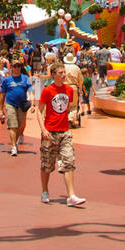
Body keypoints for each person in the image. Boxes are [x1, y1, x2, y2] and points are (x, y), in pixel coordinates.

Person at [37, 63, 85, 206]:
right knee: (47, 164)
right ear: (54, 75)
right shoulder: (47, 91)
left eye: (64, 72)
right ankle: (45, 191)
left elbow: (71, 106)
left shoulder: (69, 90)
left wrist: (73, 115)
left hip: (64, 132)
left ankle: (71, 195)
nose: (64, 75)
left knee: (68, 161)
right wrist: (43, 130)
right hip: (50, 132)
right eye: (61, 73)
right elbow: (40, 111)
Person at [0, 61, 32, 156]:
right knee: (13, 125)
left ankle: (15, 140)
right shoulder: (7, 80)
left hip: (22, 104)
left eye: (19, 66)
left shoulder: (26, 78)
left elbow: (30, 90)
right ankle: (13, 146)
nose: (17, 68)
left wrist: (32, 101)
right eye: (15, 66)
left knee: (21, 125)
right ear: (11, 67)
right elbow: (2, 94)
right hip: (10, 104)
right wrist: (1, 109)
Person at [62, 54, 85, 128]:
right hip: (73, 87)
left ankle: (65, 119)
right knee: (74, 105)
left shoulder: (62, 67)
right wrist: (80, 86)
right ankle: (70, 118)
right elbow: (81, 80)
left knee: (64, 104)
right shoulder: (76, 68)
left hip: (63, 87)